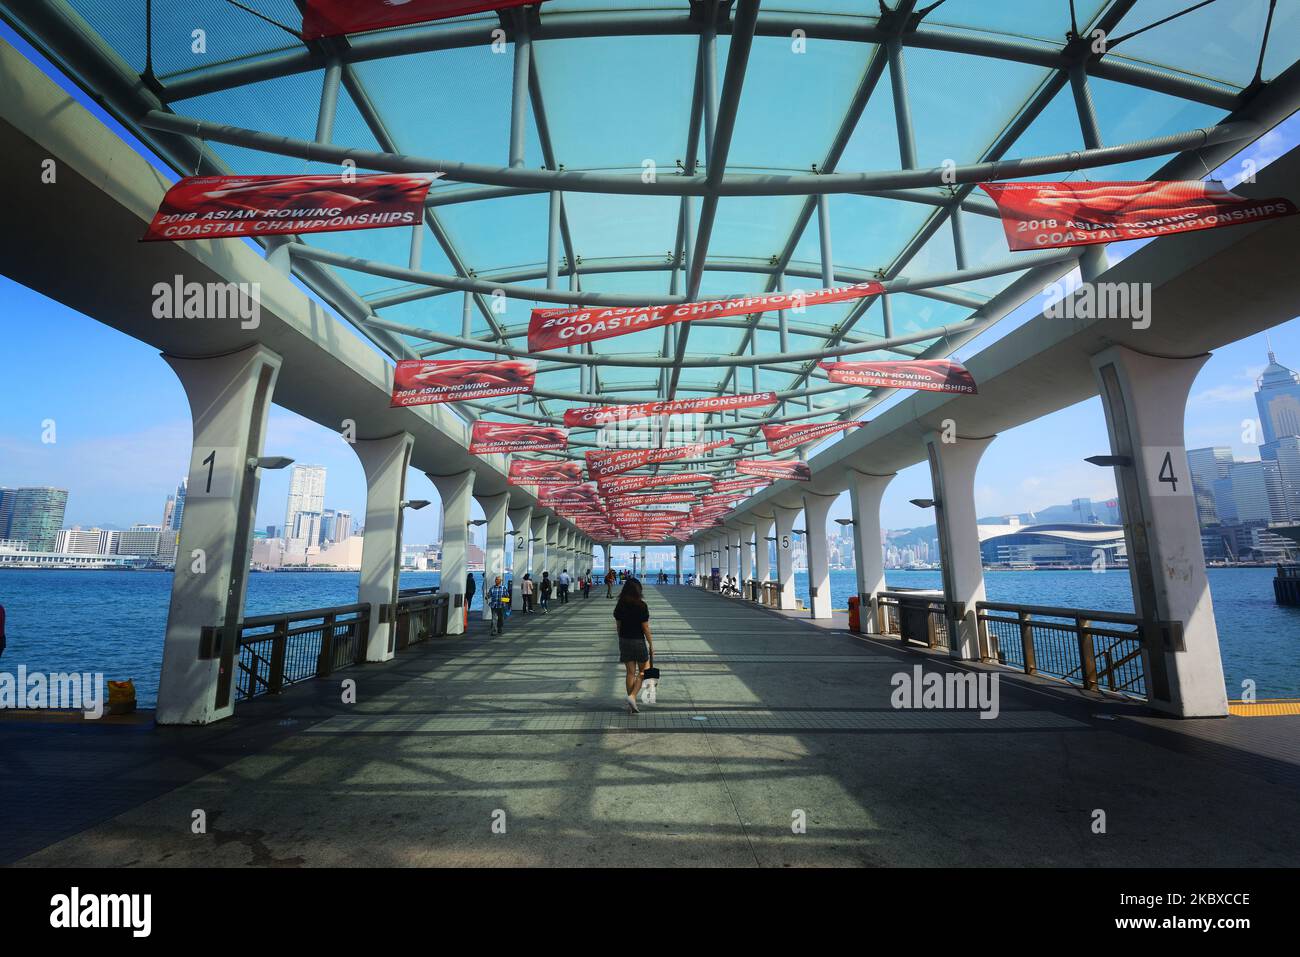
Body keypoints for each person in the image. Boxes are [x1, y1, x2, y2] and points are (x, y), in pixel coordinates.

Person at [614, 578, 653, 714]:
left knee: (630, 673)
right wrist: (651, 644)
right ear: (638, 590)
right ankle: (633, 696)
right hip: (638, 641)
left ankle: (631, 705)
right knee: (646, 671)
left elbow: (618, 627)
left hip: (624, 641)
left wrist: (622, 639)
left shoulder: (620, 605)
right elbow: (645, 628)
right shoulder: (641, 606)